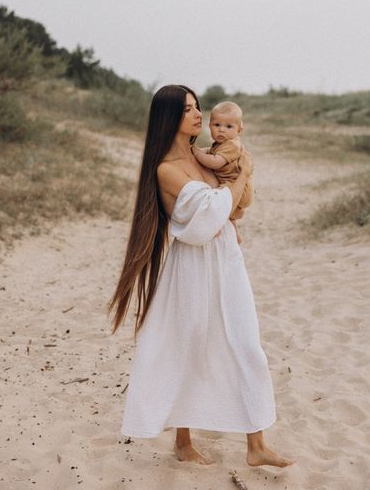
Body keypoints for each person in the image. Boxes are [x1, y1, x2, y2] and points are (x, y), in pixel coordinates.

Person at [108, 84, 293, 468]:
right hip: (192, 267)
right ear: (170, 118)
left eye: (198, 108)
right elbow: (208, 216)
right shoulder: (166, 169)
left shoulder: (206, 158)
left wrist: (232, 197)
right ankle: (182, 440)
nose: (198, 115)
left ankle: (256, 445)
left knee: (245, 345)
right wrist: (241, 177)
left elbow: (228, 213)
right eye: (189, 109)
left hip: (226, 261)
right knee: (191, 346)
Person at [191, 100, 253, 243]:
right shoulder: (220, 145)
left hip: (237, 187)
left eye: (228, 126)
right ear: (209, 126)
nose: (221, 129)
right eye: (217, 125)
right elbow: (210, 152)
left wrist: (196, 153)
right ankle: (235, 231)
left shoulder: (232, 145)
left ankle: (216, 226)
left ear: (239, 130)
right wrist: (202, 151)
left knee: (218, 202)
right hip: (234, 186)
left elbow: (215, 161)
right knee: (227, 209)